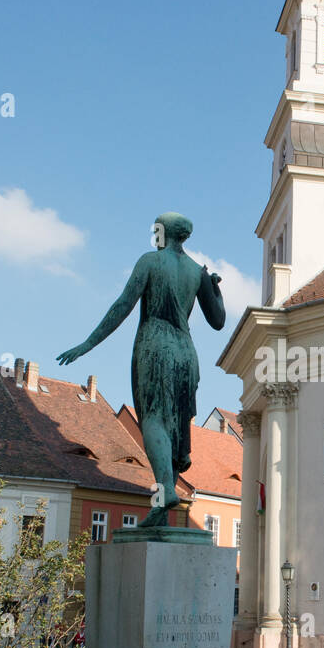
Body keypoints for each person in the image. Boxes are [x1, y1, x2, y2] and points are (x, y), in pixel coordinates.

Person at [57, 213, 225, 525]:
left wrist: (86, 344)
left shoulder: (149, 261)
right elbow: (218, 321)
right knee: (176, 426)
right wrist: (215, 289)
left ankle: (165, 489)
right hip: (187, 353)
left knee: (153, 420)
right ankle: (161, 508)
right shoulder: (195, 271)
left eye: (156, 230)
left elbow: (122, 305)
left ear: (163, 232)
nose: (154, 234)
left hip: (155, 346)